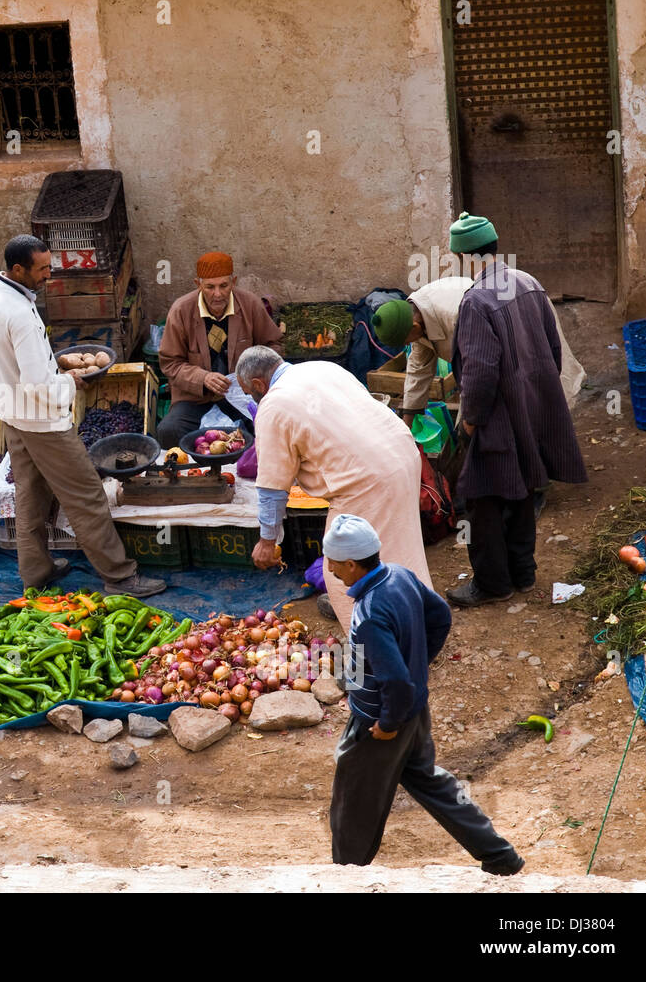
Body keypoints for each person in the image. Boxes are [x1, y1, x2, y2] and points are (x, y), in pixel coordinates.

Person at [0, 234, 164, 598]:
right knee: (86, 494)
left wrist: (8, 372)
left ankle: (36, 573)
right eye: (42, 269)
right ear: (18, 269)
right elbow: (40, 385)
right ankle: (120, 577)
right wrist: (70, 381)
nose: (48, 276)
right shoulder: (20, 313)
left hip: (13, 415)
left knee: (30, 497)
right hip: (44, 423)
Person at [324, 513, 523, 874]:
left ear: (351, 563)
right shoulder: (399, 575)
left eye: (334, 564)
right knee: (430, 782)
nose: (331, 571)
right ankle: (499, 855)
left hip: (381, 723)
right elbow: (440, 616)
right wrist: (420, 661)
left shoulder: (368, 612)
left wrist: (387, 723)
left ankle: (345, 874)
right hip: (415, 711)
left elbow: (396, 681)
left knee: (352, 802)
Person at [443, 213, 588, 608]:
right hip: (531, 406)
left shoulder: (475, 301)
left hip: (497, 417)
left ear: (463, 258)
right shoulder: (527, 282)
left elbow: (480, 370)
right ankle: (523, 573)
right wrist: (536, 393)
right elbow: (552, 348)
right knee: (523, 486)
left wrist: (470, 421)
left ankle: (492, 584)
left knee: (480, 497)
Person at [236, 345, 430, 628]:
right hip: (402, 455)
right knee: (400, 550)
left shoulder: (273, 405)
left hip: (365, 481)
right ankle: (417, 623)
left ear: (257, 384)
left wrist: (267, 542)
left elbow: (272, 489)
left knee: (341, 572)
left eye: (248, 391)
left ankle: (375, 652)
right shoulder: (322, 367)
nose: (250, 397)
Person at [372, 274, 585, 424]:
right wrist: (408, 421)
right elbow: (418, 370)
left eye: (407, 341)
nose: (409, 345)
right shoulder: (414, 315)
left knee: (530, 404)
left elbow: (477, 371)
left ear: (415, 327)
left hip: (516, 334)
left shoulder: (458, 315)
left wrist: (468, 422)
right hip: (492, 347)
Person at [157, 252, 282, 448]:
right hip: (195, 399)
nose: (218, 294)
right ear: (198, 284)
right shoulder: (181, 310)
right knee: (168, 432)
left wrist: (253, 376)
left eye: (224, 286)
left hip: (242, 395)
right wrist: (202, 378)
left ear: (233, 282)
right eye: (210, 287)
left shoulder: (249, 304)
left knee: (267, 428)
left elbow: (273, 347)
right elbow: (170, 363)